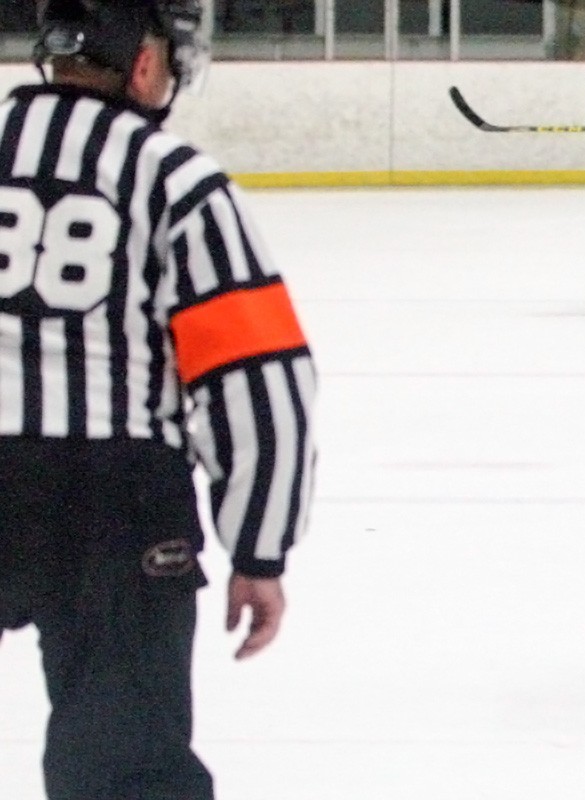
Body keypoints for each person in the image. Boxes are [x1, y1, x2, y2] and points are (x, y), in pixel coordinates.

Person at [0, 1, 318, 798]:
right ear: (143, 63)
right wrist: (258, 547)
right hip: (112, 498)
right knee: (122, 760)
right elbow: (260, 377)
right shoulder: (177, 180)